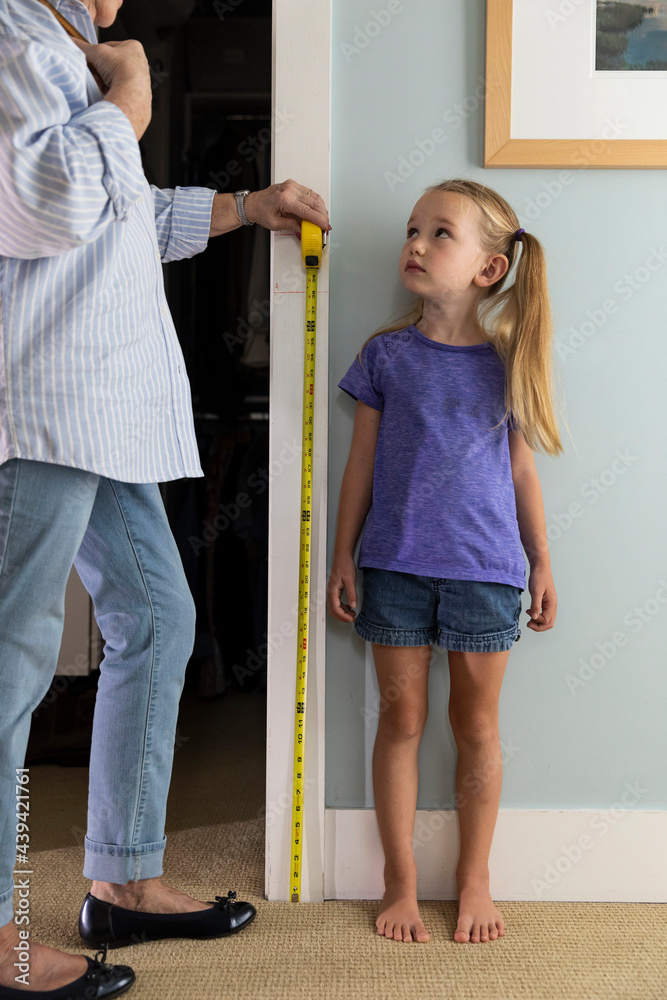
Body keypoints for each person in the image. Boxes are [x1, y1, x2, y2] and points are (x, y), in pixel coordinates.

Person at [0, 0, 330, 996]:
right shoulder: (15, 34)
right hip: (45, 399)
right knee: (12, 661)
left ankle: (124, 878)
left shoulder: (62, 40)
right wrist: (134, 92)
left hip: (100, 404)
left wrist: (246, 205)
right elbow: (49, 199)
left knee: (157, 613)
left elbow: (119, 211)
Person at [327, 179, 561, 945]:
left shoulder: (507, 363)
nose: (416, 244)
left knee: (477, 730)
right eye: (412, 229)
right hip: (393, 568)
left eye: (439, 234)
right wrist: (343, 555)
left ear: (488, 269)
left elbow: (522, 472)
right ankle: (398, 882)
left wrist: (541, 562)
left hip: (486, 574)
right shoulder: (383, 356)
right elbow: (358, 466)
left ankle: (473, 880)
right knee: (400, 720)